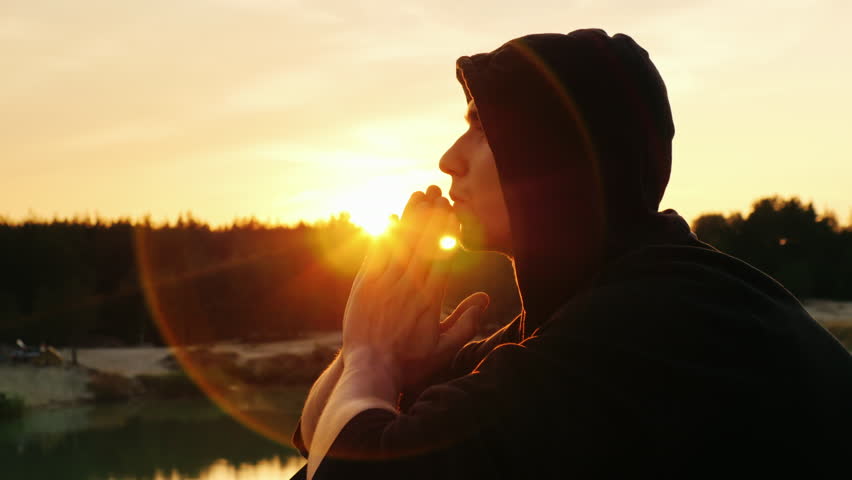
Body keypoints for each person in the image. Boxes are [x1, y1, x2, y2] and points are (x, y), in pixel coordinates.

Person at [290, 29, 852, 479]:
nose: (448, 159)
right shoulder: (585, 308)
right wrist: (369, 358)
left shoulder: (651, 326)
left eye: (482, 130)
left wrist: (370, 359)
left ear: (556, 156)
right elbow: (319, 450)